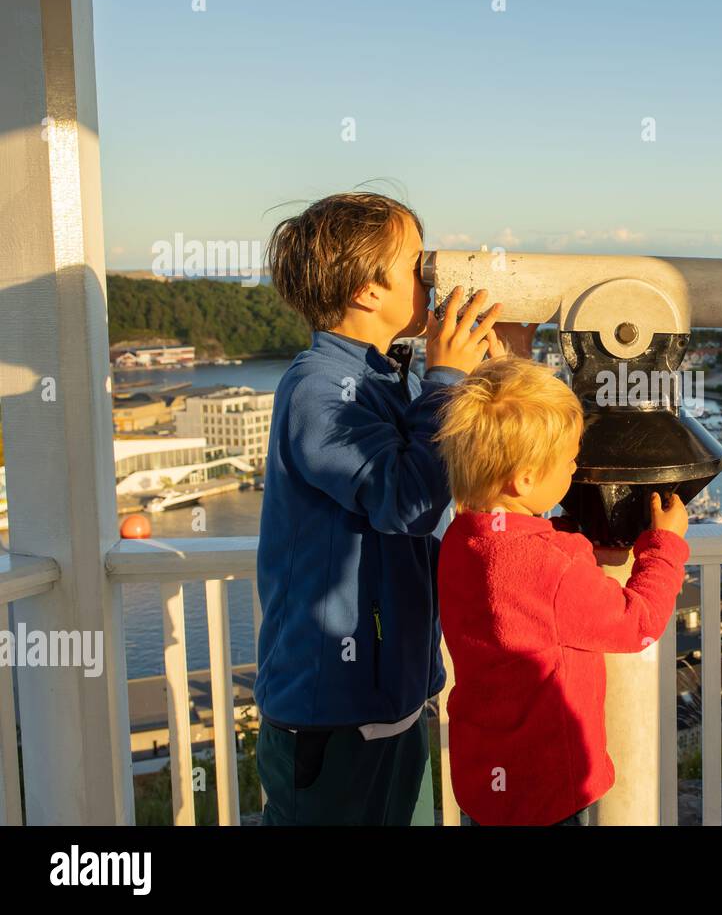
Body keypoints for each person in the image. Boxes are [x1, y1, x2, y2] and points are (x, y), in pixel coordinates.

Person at [253, 192, 503, 824]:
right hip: (330, 714)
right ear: (368, 289)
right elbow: (407, 502)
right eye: (419, 266)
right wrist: (446, 383)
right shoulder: (317, 388)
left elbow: (462, 475)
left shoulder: (390, 383)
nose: (434, 281)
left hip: (392, 702)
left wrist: (491, 379)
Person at [435, 355, 690, 825]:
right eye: (570, 458)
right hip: (546, 786)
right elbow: (638, 625)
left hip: (489, 781)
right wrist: (665, 546)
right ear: (525, 478)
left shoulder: (463, 538)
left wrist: (568, 535)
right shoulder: (550, 566)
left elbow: (516, 570)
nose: (575, 468)